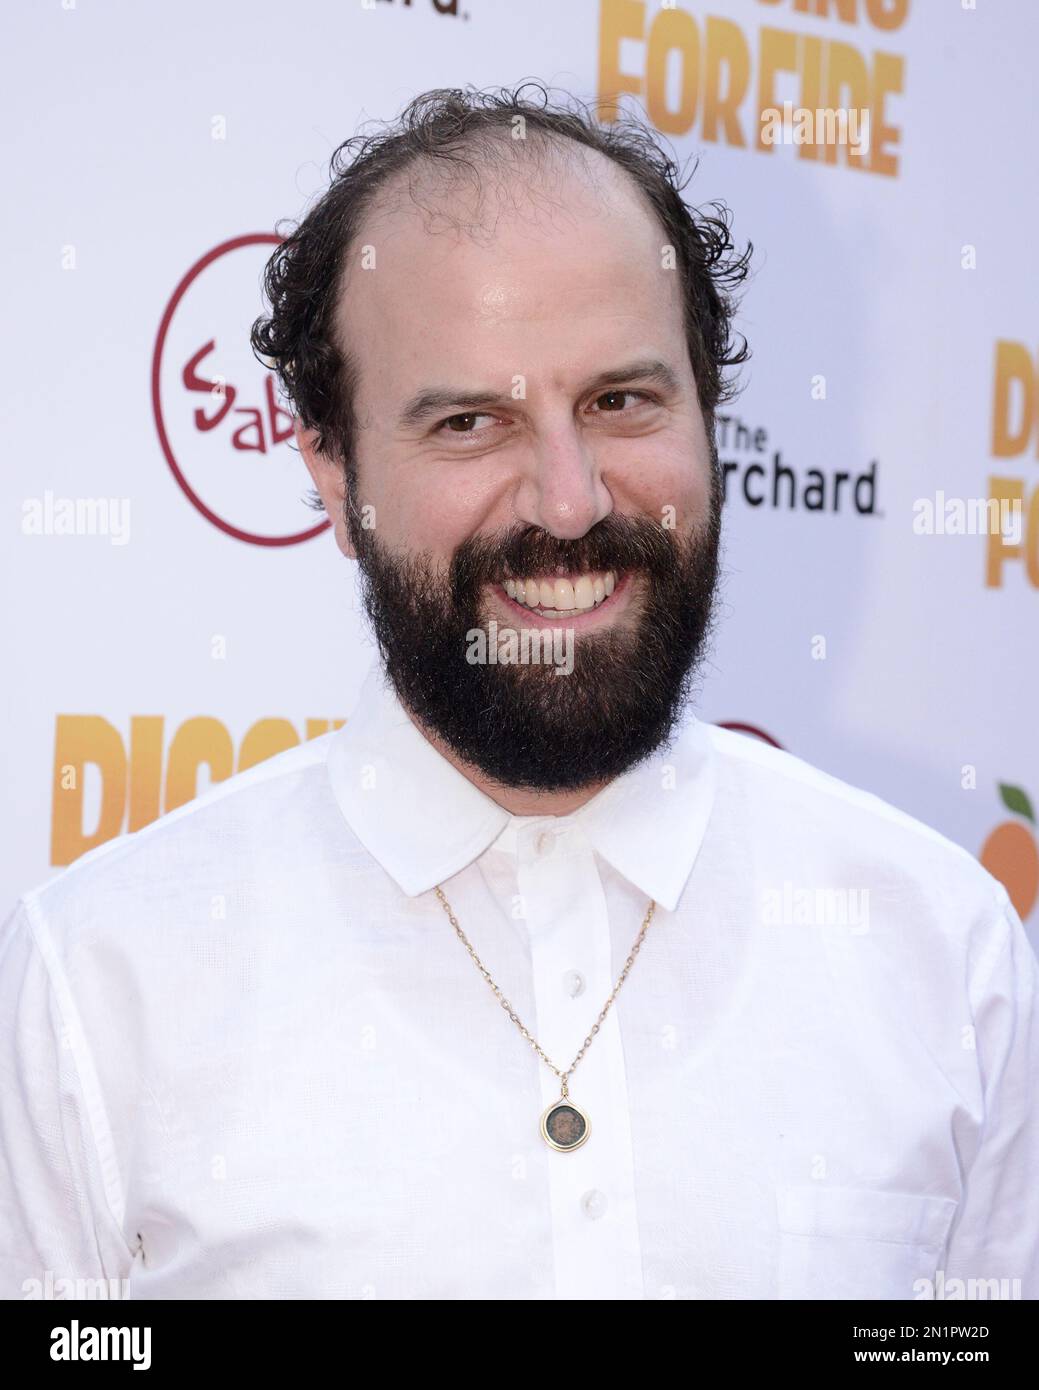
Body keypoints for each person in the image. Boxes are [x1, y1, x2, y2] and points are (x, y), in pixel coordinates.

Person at [2, 84, 1036, 1301]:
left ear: (709, 416)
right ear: (333, 476)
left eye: (620, 401)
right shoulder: (105, 976)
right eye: (468, 422)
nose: (568, 498)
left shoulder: (942, 945)